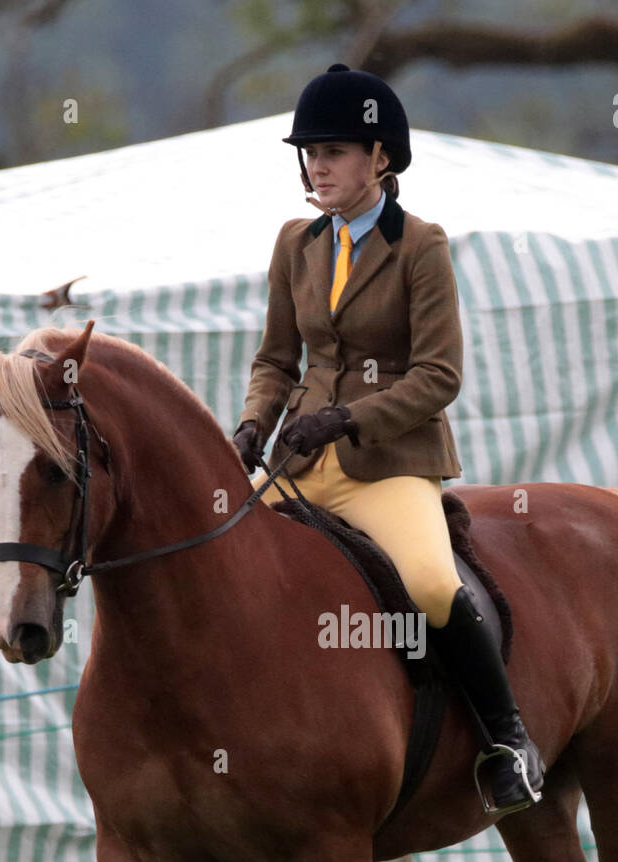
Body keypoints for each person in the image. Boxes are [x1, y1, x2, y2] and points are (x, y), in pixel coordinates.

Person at [233, 63, 544, 815]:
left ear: (380, 158)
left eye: (334, 150)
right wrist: (250, 427)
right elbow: (278, 360)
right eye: (309, 151)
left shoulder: (421, 248)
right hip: (301, 458)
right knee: (219, 555)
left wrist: (349, 418)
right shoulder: (295, 244)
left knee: (433, 585)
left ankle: (508, 737)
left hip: (391, 462)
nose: (317, 165)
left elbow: (440, 376)